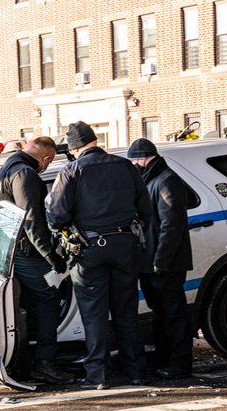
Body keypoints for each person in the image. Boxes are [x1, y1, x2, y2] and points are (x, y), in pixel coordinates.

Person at [48, 122, 152, 389]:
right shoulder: (125, 166)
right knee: (126, 311)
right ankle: (136, 371)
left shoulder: (71, 171)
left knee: (94, 315)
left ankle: (97, 376)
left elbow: (57, 216)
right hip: (126, 245)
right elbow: (146, 208)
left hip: (90, 250)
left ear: (73, 149)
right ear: (95, 141)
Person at [0, 137, 72, 384]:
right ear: (46, 158)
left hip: (6, 248)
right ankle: (45, 363)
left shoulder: (1, 171)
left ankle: (21, 359)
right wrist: (51, 256)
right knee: (49, 298)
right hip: (26, 251)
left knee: (24, 303)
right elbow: (31, 221)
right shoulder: (25, 175)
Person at [128, 138, 194, 380]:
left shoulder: (167, 181)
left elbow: (171, 225)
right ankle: (164, 357)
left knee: (173, 313)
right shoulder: (153, 180)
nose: (133, 164)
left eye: (135, 160)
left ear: (145, 158)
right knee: (161, 313)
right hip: (152, 261)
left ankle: (180, 363)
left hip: (165, 263)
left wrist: (161, 260)